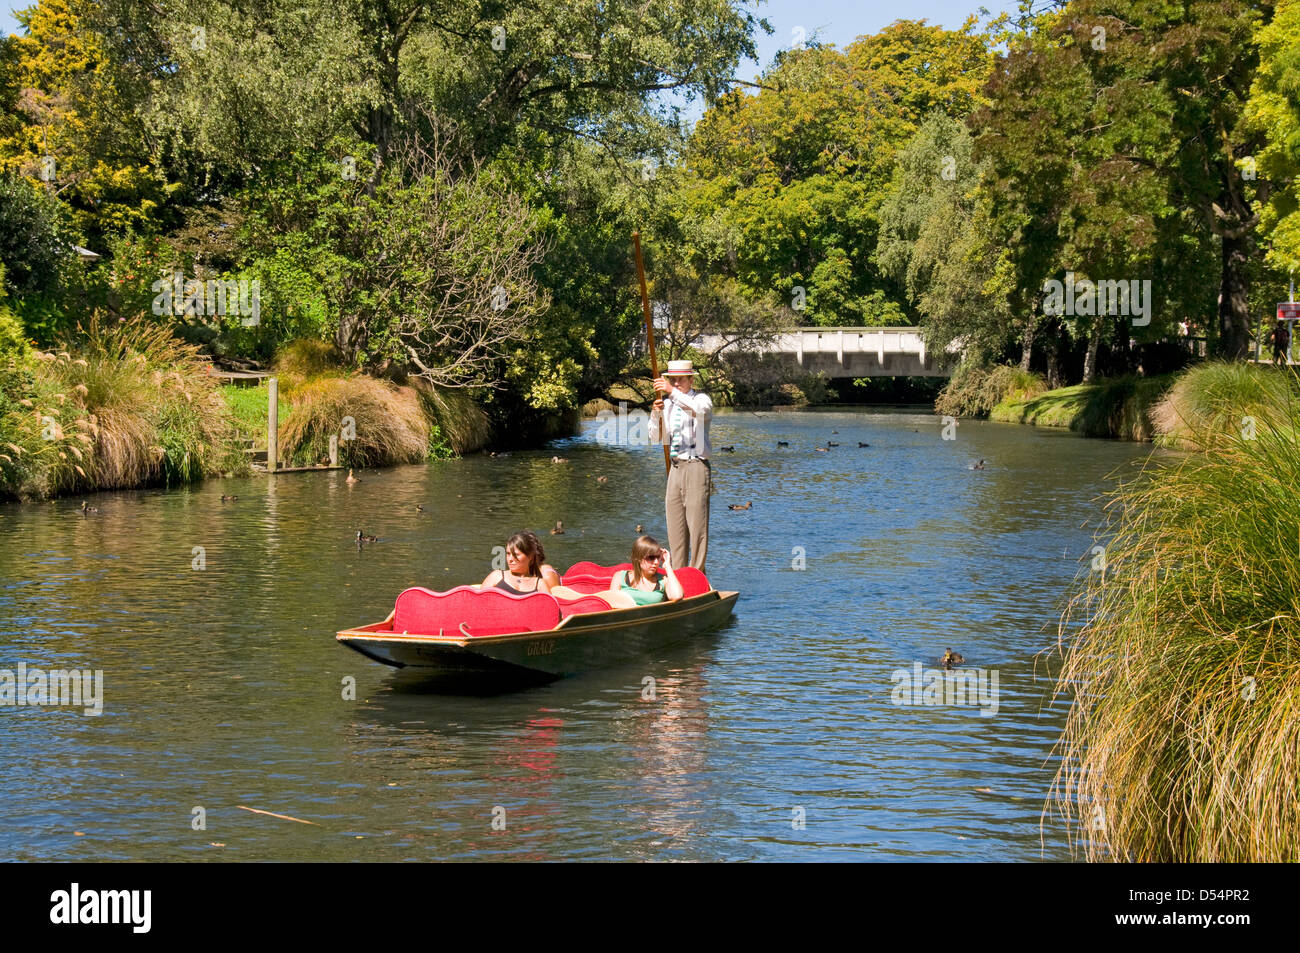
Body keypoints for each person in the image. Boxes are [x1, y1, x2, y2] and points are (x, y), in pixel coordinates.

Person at [648, 359, 713, 572]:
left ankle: (697, 575)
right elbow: (655, 437)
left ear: (691, 379)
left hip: (696, 466)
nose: (675, 384)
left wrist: (671, 392)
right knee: (675, 527)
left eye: (680, 380)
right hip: (675, 469)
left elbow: (698, 411)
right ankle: (678, 575)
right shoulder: (667, 405)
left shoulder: (701, 400)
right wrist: (655, 414)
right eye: (672, 380)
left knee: (697, 528)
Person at [610, 535, 684, 605]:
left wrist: (667, 565)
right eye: (651, 557)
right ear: (638, 558)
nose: (656, 562)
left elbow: (677, 596)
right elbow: (612, 604)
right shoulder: (620, 577)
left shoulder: (663, 580)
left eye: (658, 557)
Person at [480, 531, 553, 595]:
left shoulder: (540, 584)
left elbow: (552, 609)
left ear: (530, 556)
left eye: (516, 555)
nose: (510, 559)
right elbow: (476, 603)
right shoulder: (496, 576)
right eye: (508, 554)